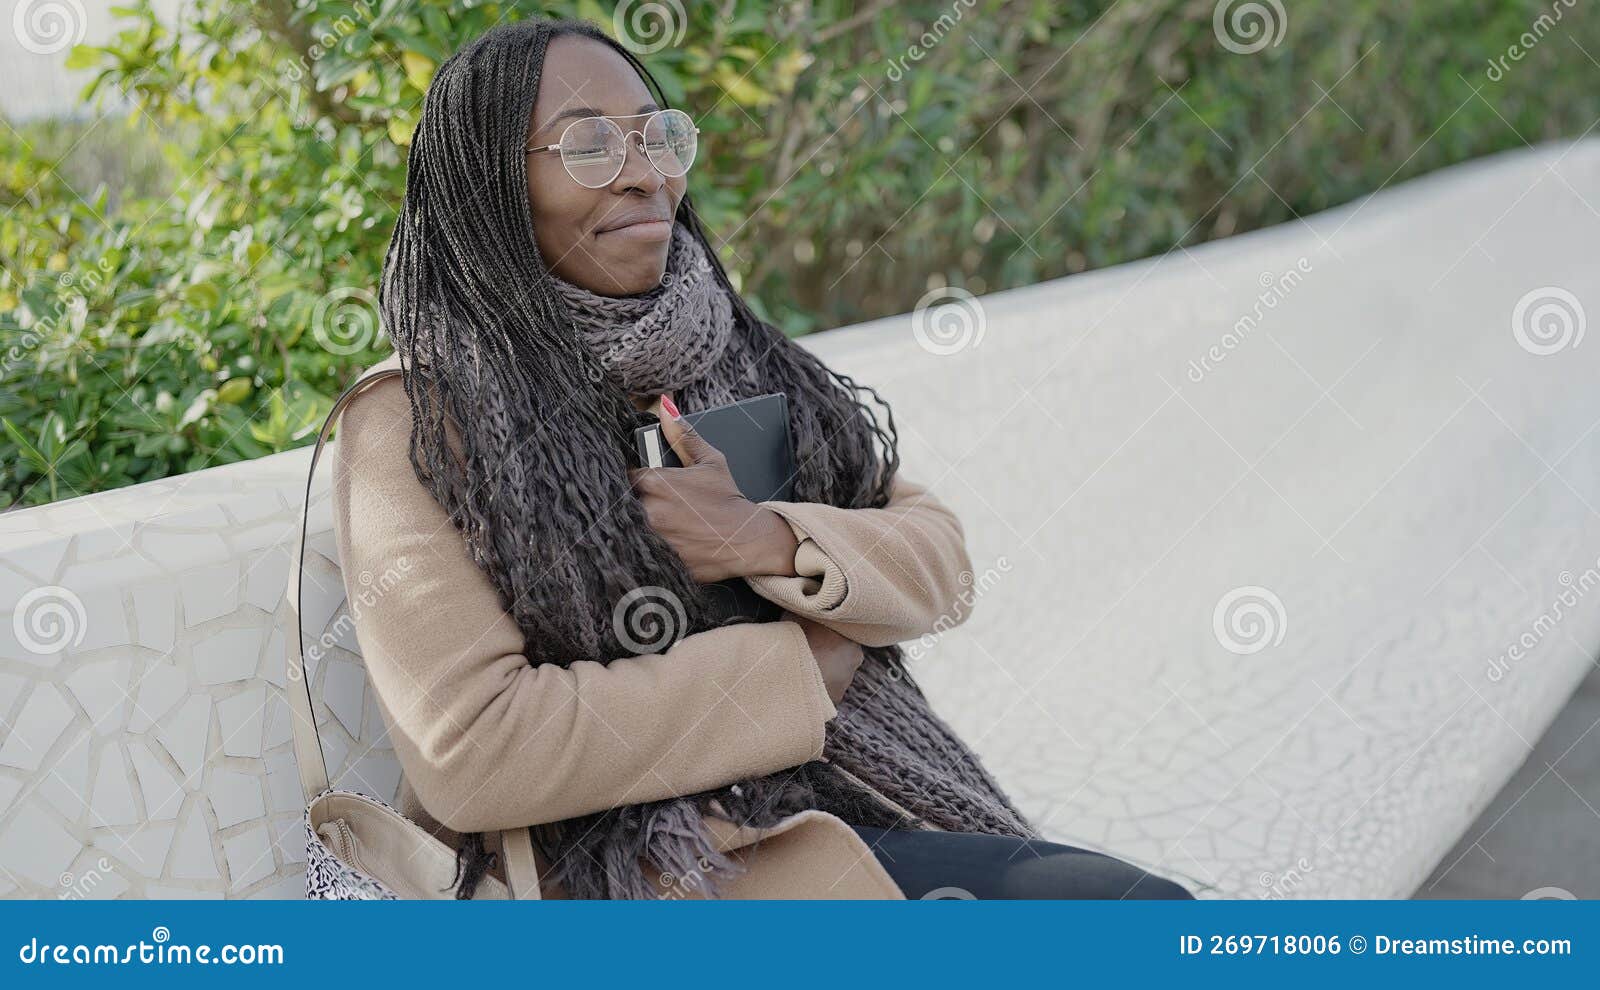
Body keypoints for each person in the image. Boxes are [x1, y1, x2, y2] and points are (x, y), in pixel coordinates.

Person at [330, 16, 1191, 901]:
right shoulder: (418, 420)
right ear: (489, 186)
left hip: (852, 795)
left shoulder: (726, 351)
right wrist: (795, 673)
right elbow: (476, 753)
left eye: (659, 136)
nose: (645, 172)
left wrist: (766, 540)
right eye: (588, 144)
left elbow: (940, 563)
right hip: (652, 869)